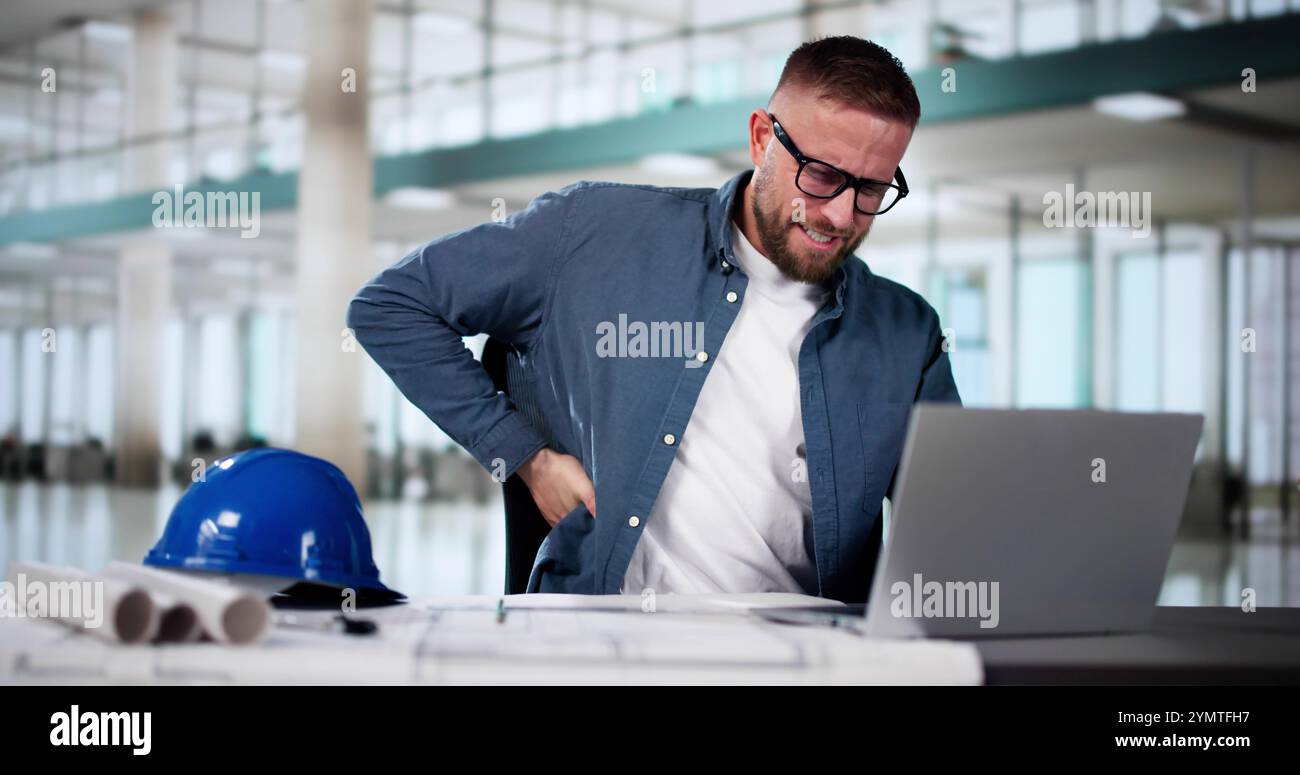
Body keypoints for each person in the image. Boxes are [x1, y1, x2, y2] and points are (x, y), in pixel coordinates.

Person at [348, 36, 960, 603]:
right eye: (822, 176)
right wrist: (526, 457)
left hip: (802, 660)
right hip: (602, 649)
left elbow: (953, 524)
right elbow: (391, 305)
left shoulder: (907, 334)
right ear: (760, 137)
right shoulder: (595, 232)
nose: (841, 214)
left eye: (873, 190)